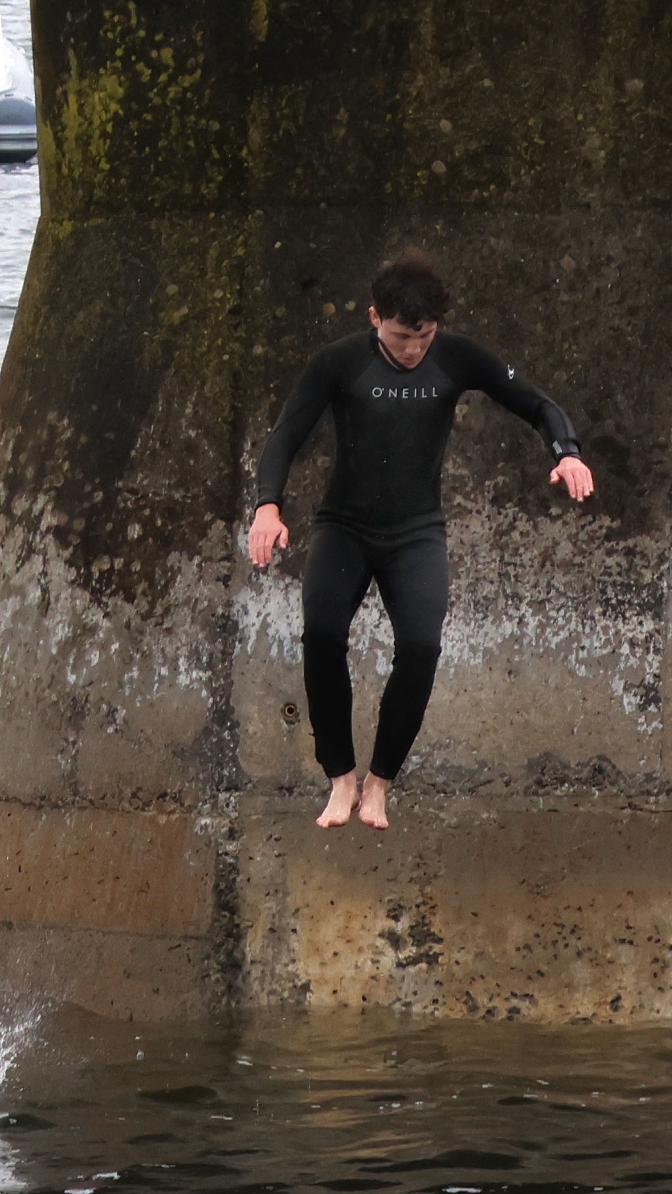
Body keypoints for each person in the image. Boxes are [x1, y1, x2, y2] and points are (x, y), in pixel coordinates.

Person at [248, 250, 594, 833]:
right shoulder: (339, 363)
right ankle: (341, 777)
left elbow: (537, 403)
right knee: (323, 635)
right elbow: (285, 435)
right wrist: (267, 505)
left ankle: (379, 783)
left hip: (415, 534)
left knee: (421, 647)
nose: (413, 350)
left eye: (424, 336)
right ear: (374, 317)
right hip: (344, 527)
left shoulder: (456, 357)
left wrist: (567, 452)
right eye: (401, 336)